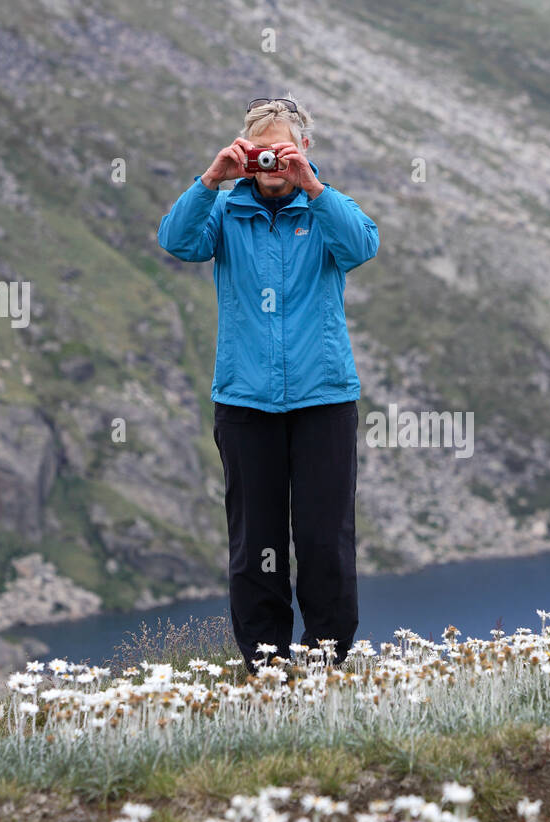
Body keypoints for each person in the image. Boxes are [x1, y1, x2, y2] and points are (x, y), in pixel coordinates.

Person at [157, 95, 379, 674]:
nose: (273, 165)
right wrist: (211, 179)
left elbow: (361, 247)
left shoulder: (329, 208)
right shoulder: (224, 212)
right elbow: (177, 242)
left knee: (324, 538)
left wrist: (314, 187)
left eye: (284, 151)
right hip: (245, 401)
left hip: (323, 400)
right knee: (257, 544)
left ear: (304, 149)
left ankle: (327, 662)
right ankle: (267, 666)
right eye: (262, 153)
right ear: (245, 154)